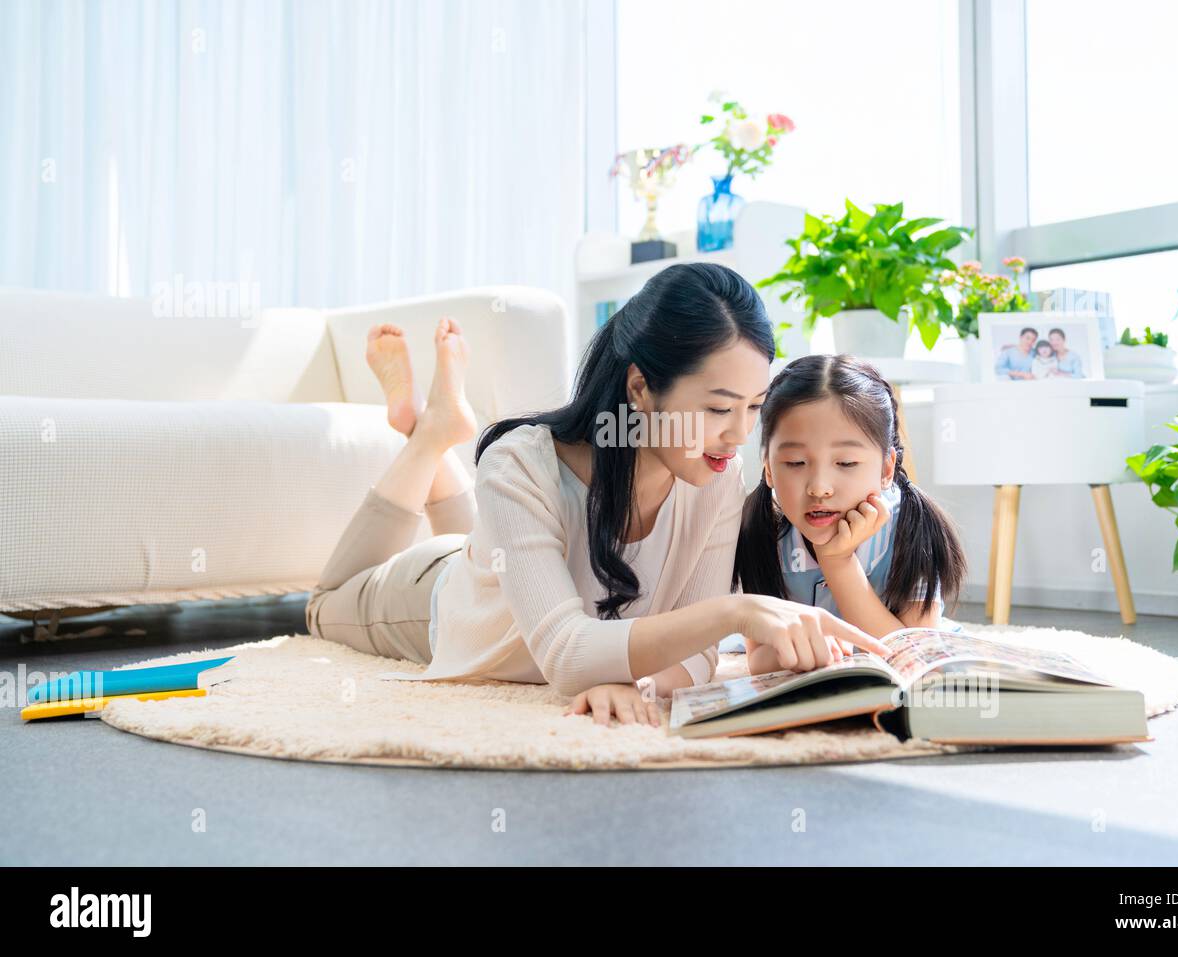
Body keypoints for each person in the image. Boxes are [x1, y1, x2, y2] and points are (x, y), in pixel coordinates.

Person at [305, 263, 888, 727]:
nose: (738, 435)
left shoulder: (716, 476)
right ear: (641, 388)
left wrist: (638, 683)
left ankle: (430, 429)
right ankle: (430, 435)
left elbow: (700, 658)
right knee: (322, 607)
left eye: (754, 409)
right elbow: (565, 655)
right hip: (433, 598)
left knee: (481, 544)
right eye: (716, 408)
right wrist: (736, 612)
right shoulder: (521, 462)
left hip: (494, 561)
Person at [733, 354, 968, 676]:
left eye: (845, 463)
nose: (819, 488)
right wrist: (808, 654)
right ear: (769, 469)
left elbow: (916, 658)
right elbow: (758, 658)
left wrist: (838, 560)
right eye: (796, 463)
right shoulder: (762, 533)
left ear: (886, 468)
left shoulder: (913, 530)